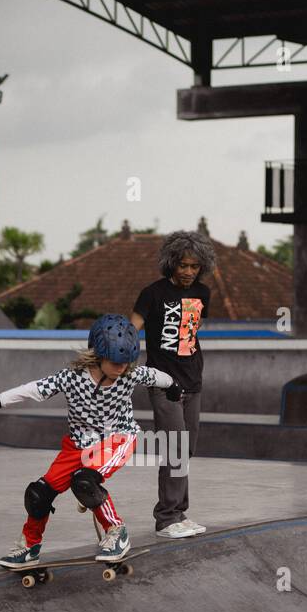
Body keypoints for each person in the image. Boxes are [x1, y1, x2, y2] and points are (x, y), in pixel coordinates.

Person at [0, 314, 180, 568]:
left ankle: (116, 532)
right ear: (98, 354)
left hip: (118, 438)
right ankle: (29, 547)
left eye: (126, 362)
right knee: (39, 493)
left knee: (85, 482)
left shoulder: (131, 374)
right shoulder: (72, 377)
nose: (121, 368)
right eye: (115, 362)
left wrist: (174, 386)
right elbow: (31, 389)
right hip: (77, 446)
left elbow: (156, 375)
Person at [130, 229, 213, 536]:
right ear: (171, 263)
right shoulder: (152, 293)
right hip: (163, 382)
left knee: (186, 448)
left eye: (195, 266)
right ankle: (166, 518)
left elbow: (193, 332)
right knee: (175, 447)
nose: (189, 272)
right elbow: (130, 329)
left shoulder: (203, 293)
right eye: (183, 266)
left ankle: (179, 512)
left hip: (193, 380)